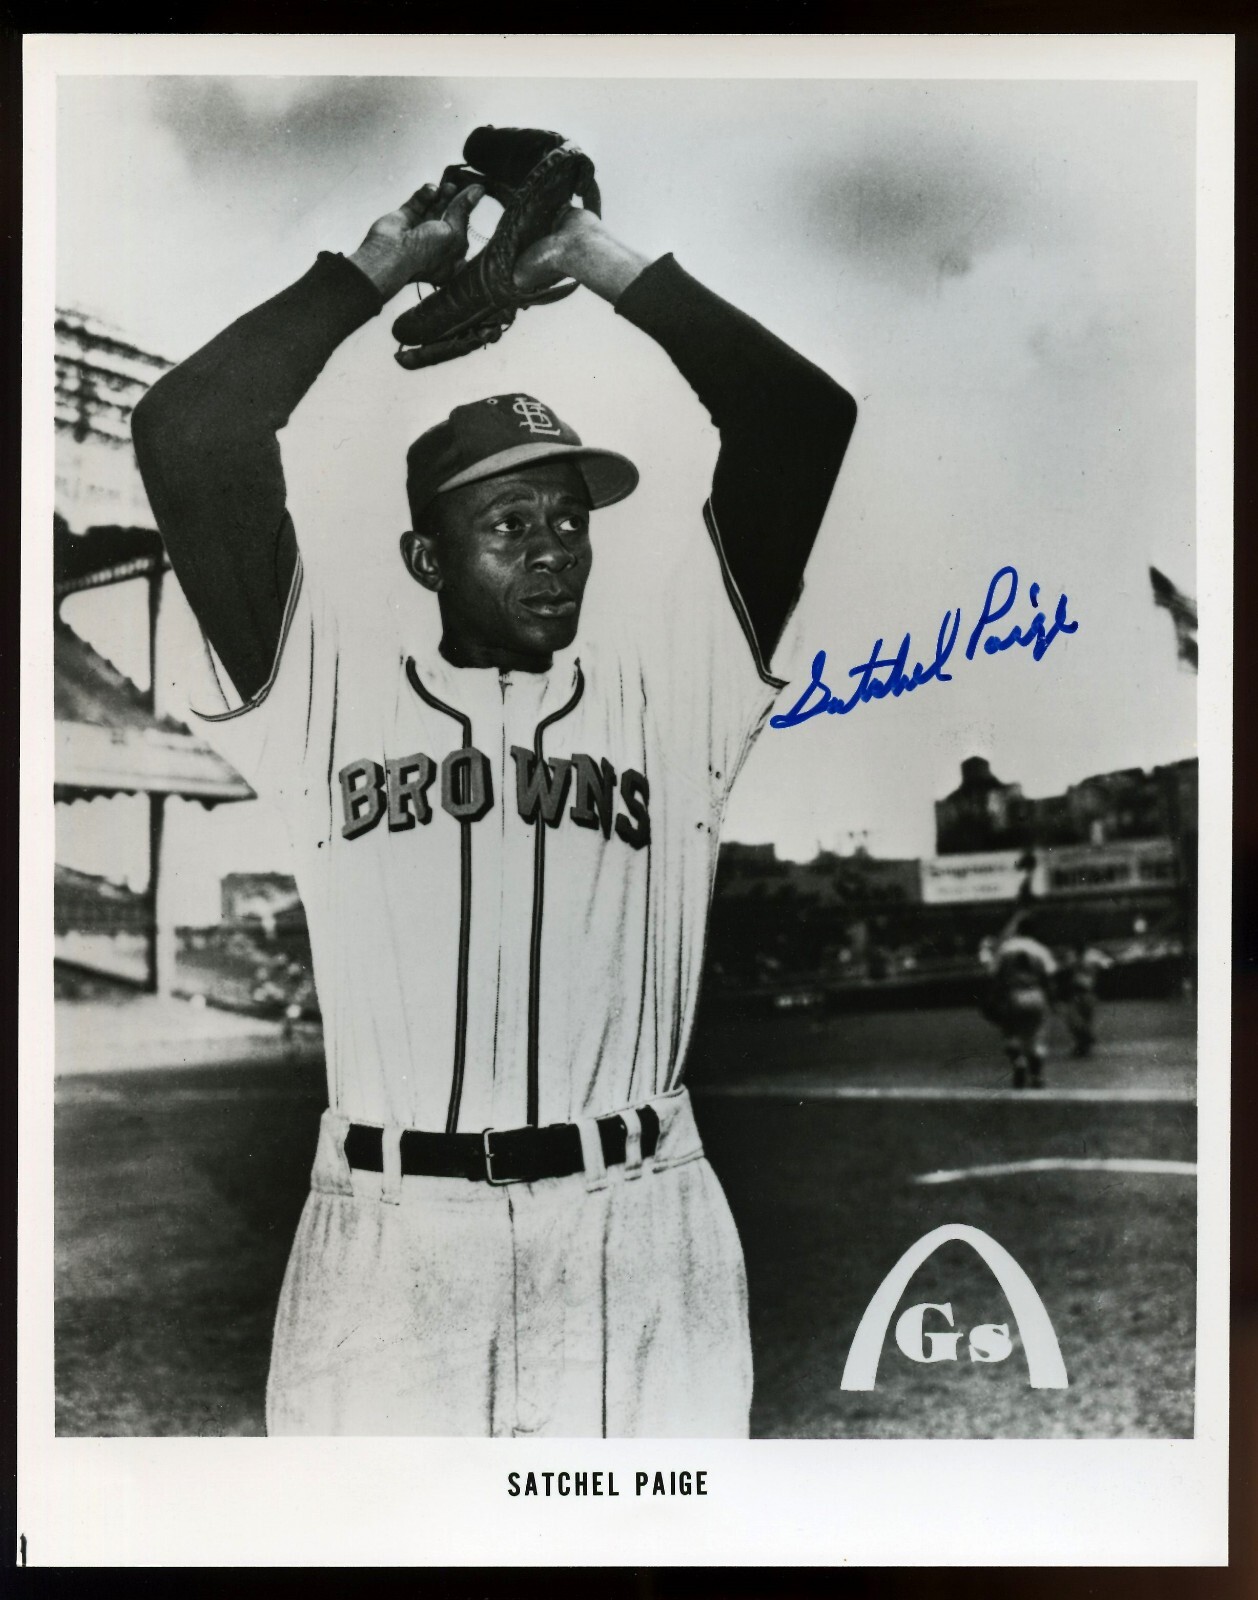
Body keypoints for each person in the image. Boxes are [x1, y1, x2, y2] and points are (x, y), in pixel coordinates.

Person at [132, 167, 857, 1437]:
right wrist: (378, 268)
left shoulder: (668, 689)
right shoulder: (324, 686)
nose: (551, 546)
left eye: (570, 518)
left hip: (640, 1220)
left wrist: (587, 250)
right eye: (508, 518)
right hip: (391, 1242)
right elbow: (190, 433)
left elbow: (800, 419)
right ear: (425, 556)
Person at [984, 929, 1058, 1089]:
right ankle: (1037, 1075)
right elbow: (1050, 977)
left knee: (1011, 1033)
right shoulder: (1040, 949)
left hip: (1014, 995)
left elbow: (994, 975)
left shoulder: (1006, 948)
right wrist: (1052, 1001)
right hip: (1036, 995)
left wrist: (993, 999)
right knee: (1037, 1035)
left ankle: (1019, 1061)